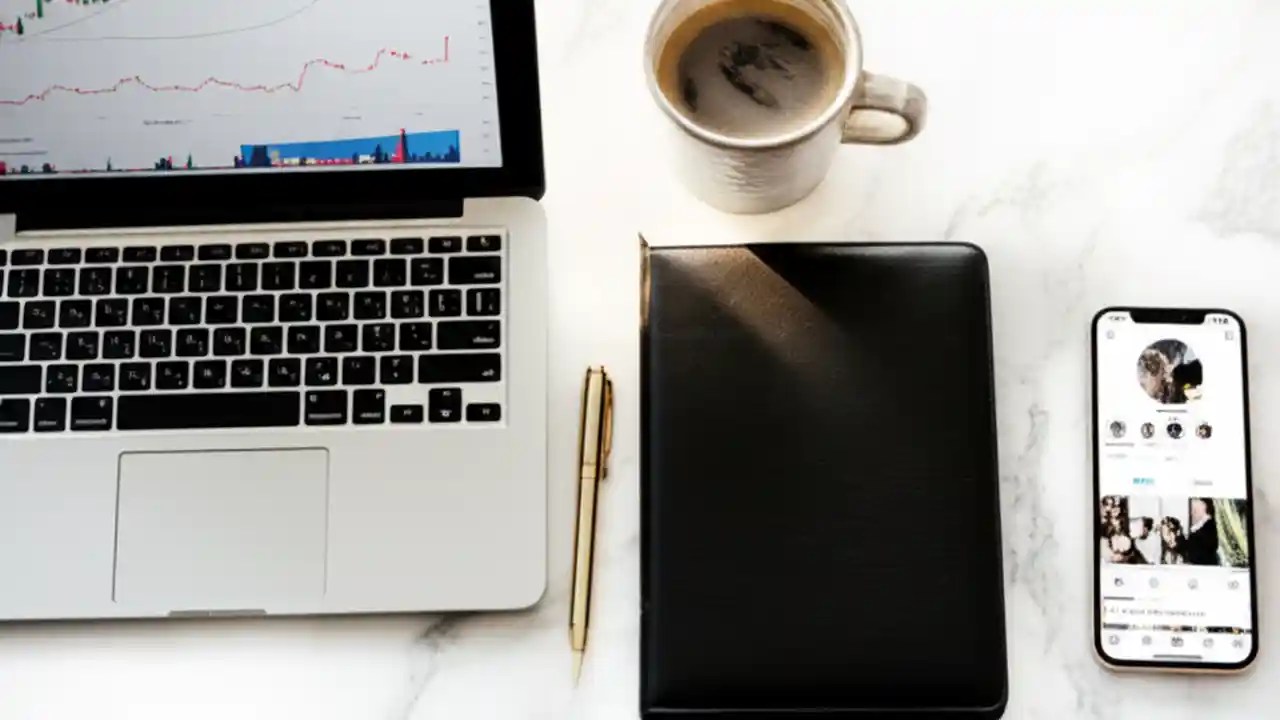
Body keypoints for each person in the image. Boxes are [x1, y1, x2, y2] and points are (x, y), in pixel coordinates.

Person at [1183, 498, 1219, 566]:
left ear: (1205, 505)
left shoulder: (1208, 527)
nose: (1192, 508)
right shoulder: (1199, 527)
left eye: (1196, 501)